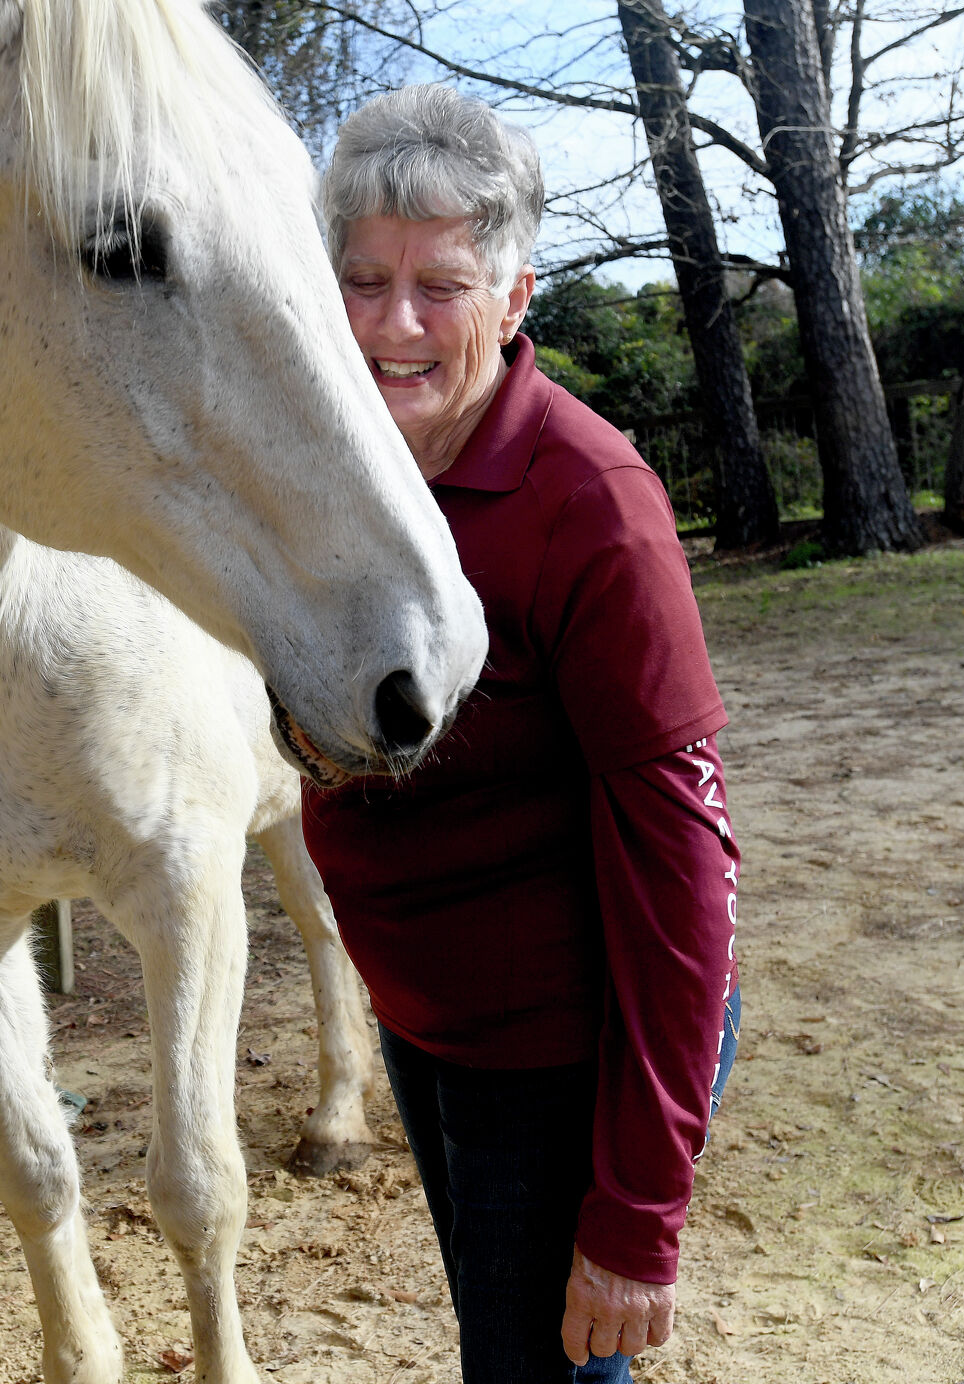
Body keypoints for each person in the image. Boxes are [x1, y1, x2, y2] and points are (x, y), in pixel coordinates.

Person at [302, 85, 744, 1383]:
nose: (394, 323)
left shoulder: (588, 504)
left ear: (515, 297)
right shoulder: (338, 476)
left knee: (540, 1366)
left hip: (566, 1046)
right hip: (428, 1013)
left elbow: (687, 877)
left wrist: (637, 1217)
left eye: (440, 284)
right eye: (362, 280)